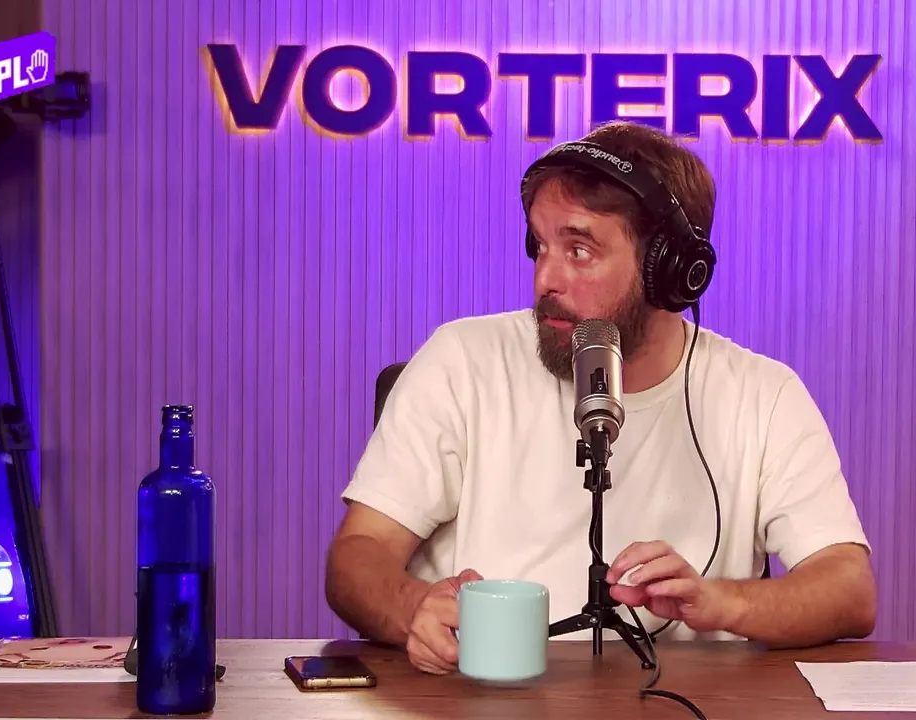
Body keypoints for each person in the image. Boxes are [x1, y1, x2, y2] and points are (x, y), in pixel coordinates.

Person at [325, 121, 876, 676]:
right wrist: (413, 609)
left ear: (669, 271)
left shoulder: (764, 396)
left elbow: (848, 589)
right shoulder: (462, 359)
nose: (546, 277)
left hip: (675, 706)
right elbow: (357, 556)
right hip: (481, 701)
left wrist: (721, 602)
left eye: (580, 250)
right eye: (540, 246)